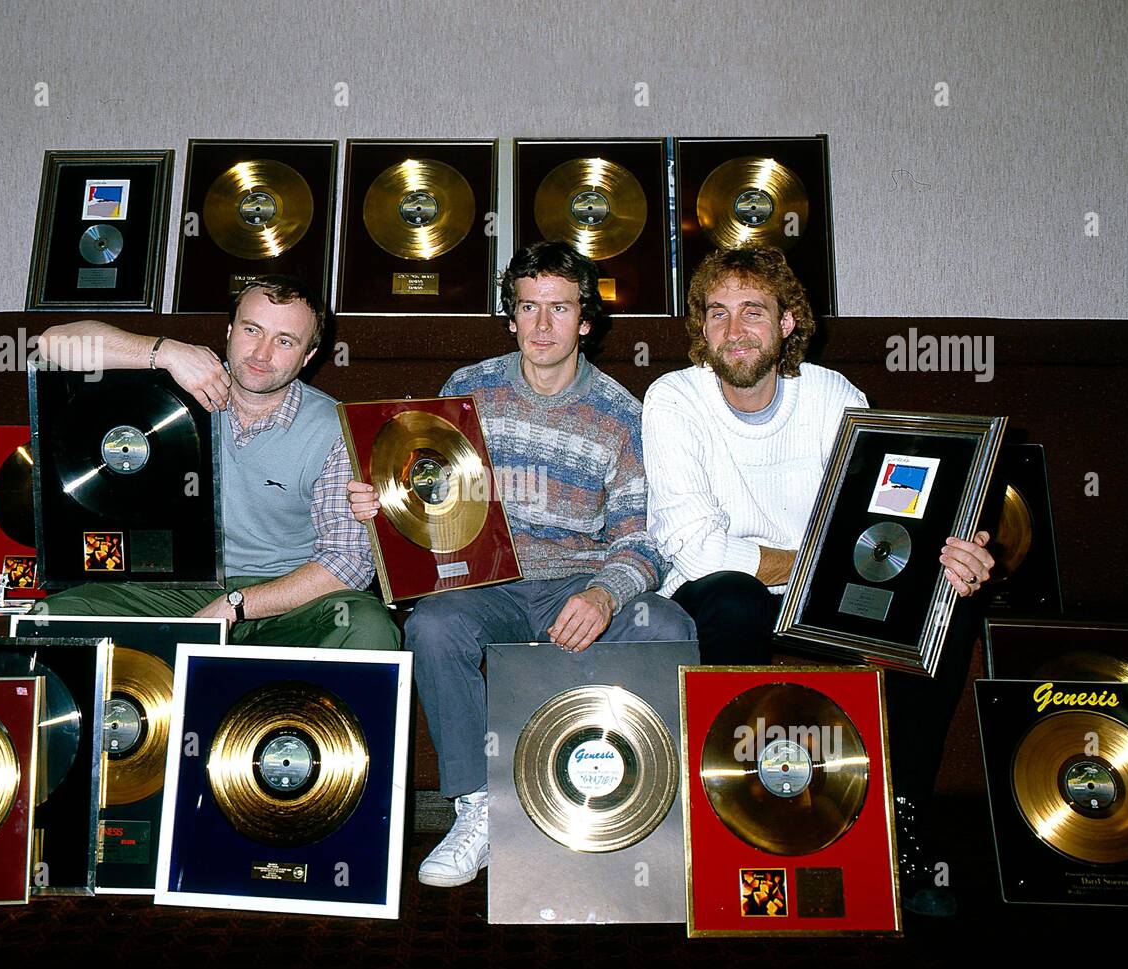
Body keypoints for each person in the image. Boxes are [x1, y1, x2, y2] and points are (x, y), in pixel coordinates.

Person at [643, 246, 993, 915]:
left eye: (753, 311)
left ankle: (903, 830)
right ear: (701, 327)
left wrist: (950, 553)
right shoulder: (673, 397)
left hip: (826, 598)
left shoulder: (834, 396)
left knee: (944, 610)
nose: (734, 328)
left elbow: (886, 520)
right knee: (735, 594)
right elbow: (695, 547)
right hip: (719, 597)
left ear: (787, 323)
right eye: (717, 313)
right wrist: (821, 564)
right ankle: (734, 828)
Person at [349, 242, 696, 887]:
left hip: (579, 580)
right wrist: (383, 507)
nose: (542, 326)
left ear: (585, 320)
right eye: (528, 308)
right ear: (510, 316)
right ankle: (477, 808)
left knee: (668, 626)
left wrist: (604, 594)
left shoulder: (623, 414)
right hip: (492, 587)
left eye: (559, 309)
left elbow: (645, 539)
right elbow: (432, 507)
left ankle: (647, 805)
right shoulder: (468, 390)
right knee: (434, 623)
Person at [32, 277, 398, 651]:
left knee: (367, 626)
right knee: (56, 615)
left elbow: (348, 562)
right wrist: (165, 352)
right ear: (229, 329)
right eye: (251, 330)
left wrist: (236, 605)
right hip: (179, 590)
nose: (261, 353)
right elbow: (50, 344)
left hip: (290, 598)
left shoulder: (335, 427)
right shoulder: (176, 382)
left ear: (308, 356)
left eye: (284, 341)